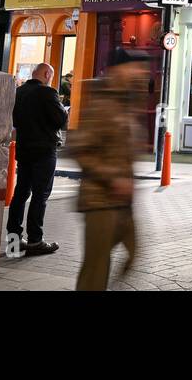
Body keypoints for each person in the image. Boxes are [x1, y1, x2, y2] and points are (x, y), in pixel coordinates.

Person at [72, 61, 145, 290]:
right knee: (96, 265)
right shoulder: (101, 106)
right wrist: (113, 178)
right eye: (133, 67)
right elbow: (79, 150)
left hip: (123, 203)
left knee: (133, 252)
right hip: (99, 201)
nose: (139, 72)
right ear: (117, 69)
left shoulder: (127, 105)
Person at [7, 62, 68, 255]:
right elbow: (61, 120)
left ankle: (14, 242)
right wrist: (64, 110)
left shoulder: (20, 91)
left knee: (20, 194)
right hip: (44, 150)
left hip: (25, 149)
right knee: (40, 195)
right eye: (51, 75)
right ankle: (35, 240)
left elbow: (15, 120)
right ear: (47, 74)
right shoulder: (47, 93)